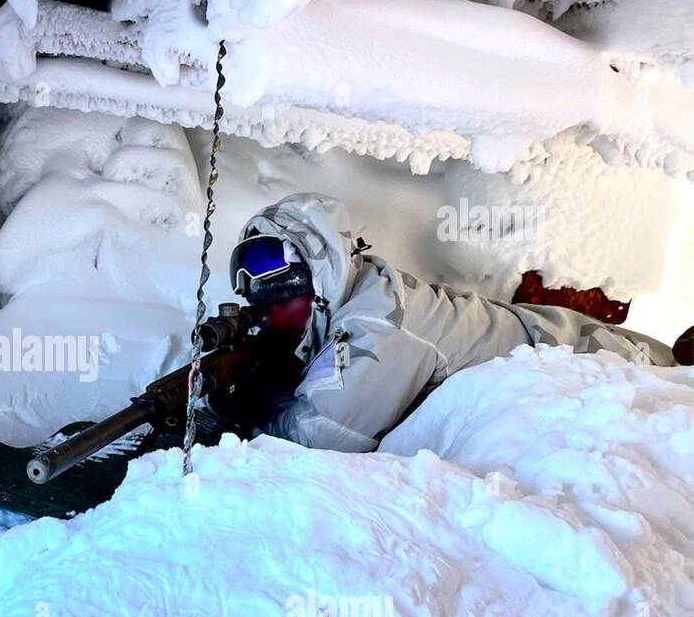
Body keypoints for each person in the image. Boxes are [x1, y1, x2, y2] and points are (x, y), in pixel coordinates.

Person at [218, 193, 693, 453]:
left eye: (287, 306)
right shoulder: (361, 290)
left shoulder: (377, 325)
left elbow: (320, 437)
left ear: (322, 269)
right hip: (552, 338)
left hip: (583, 358)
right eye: (269, 311)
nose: (276, 319)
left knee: (675, 376)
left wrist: (250, 414)